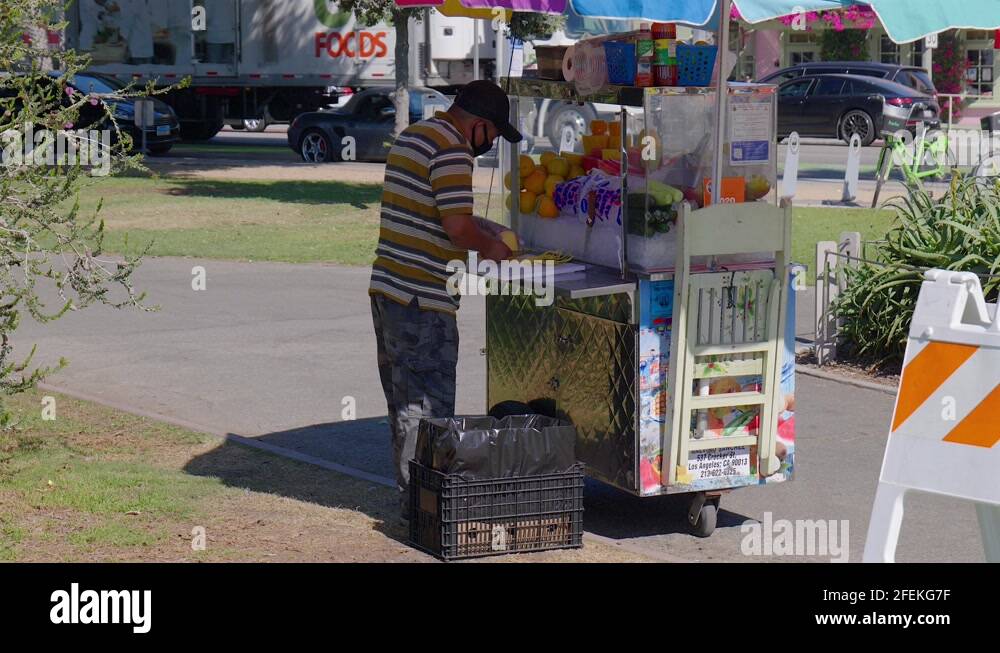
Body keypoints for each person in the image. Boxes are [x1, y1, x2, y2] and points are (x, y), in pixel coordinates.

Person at [369, 80, 521, 524]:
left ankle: (411, 502)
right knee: (429, 412)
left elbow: (438, 211)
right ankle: (425, 512)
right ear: (478, 125)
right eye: (492, 135)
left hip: (389, 290)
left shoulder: (415, 136)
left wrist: (487, 229)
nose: (491, 144)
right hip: (423, 299)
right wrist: (491, 248)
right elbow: (456, 227)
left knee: (403, 404)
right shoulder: (453, 151)